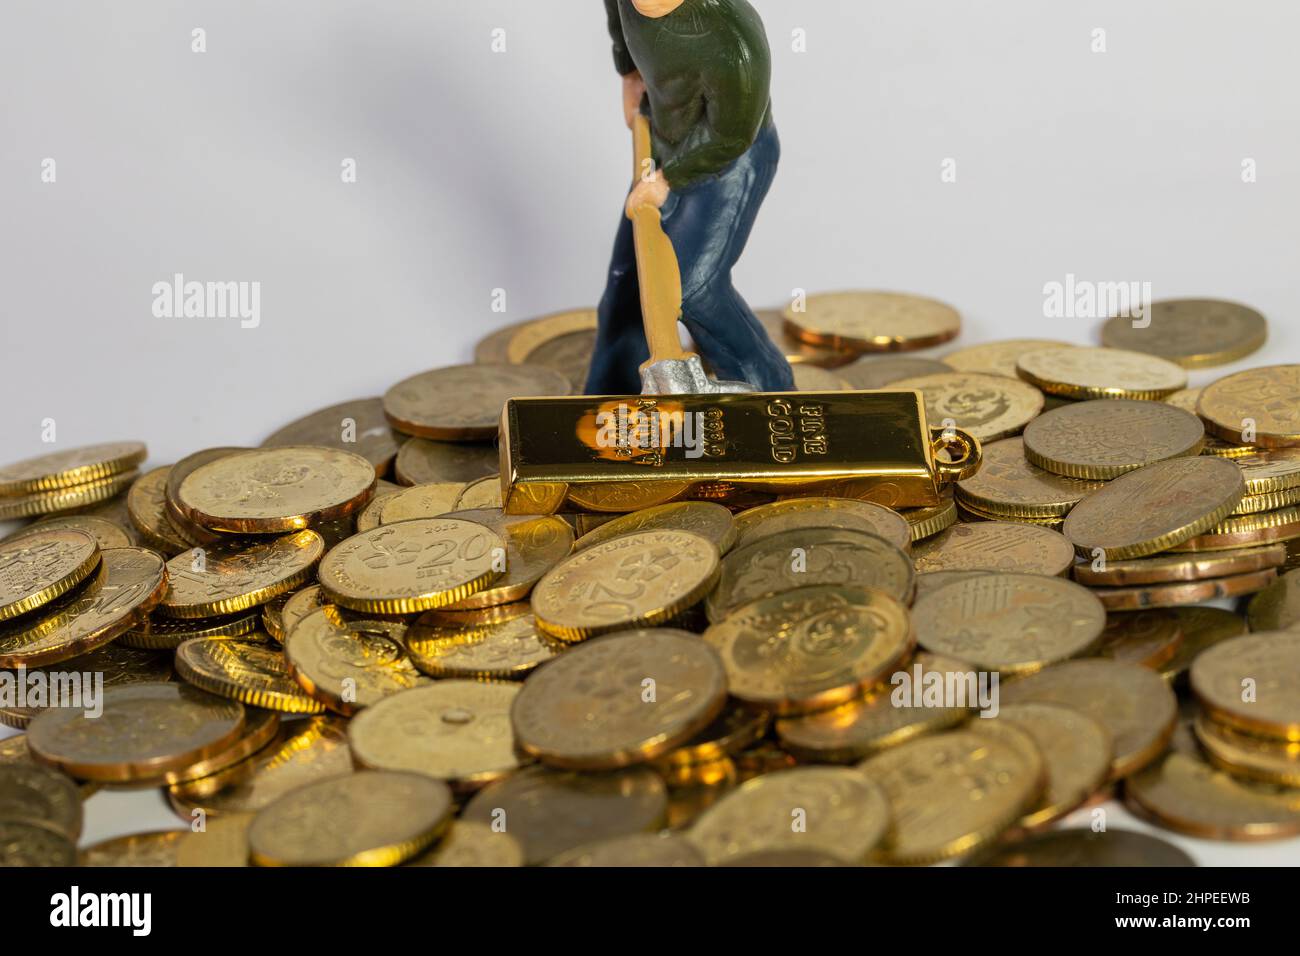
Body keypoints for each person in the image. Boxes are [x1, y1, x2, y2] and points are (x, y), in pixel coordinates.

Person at [585, 0, 795, 394]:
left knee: (694, 289)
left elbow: (732, 136)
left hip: (730, 158)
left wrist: (667, 180)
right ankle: (615, 397)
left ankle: (768, 394)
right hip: (667, 138)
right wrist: (629, 71)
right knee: (627, 283)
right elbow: (617, 15)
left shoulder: (733, 42)